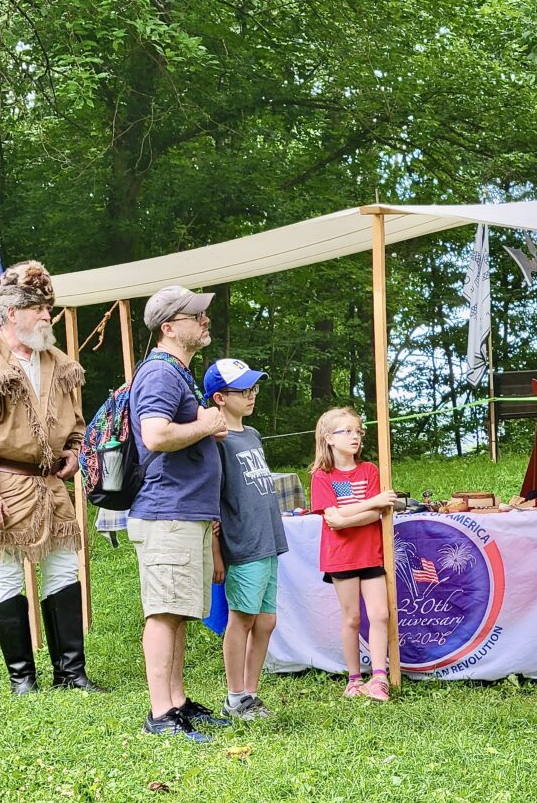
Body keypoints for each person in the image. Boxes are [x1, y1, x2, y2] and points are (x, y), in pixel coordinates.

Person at [0, 259, 105, 694]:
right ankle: (23, 679)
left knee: (62, 570)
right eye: (36, 307)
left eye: (48, 307)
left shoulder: (58, 363)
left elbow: (75, 422)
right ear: (11, 312)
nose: (46, 315)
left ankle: (70, 674)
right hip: (1, 484)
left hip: (50, 486)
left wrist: (73, 451)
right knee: (6, 575)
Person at [129, 285, 229, 742]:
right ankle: (159, 714)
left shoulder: (177, 373)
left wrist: (204, 432)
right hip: (166, 511)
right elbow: (154, 435)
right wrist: (206, 424)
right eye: (196, 315)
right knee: (165, 612)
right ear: (169, 327)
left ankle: (177, 702)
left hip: (183, 511)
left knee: (179, 611)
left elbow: (176, 432)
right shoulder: (160, 373)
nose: (205, 320)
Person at [203, 358, 288, 721]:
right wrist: (217, 554)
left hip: (267, 541)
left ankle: (250, 694)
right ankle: (235, 695)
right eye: (243, 390)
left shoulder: (252, 435)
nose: (252, 395)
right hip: (243, 545)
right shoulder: (216, 442)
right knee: (242, 618)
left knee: (266, 622)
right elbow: (210, 501)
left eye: (254, 388)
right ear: (219, 398)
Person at [308, 407, 397, 701]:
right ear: (328, 438)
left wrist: (346, 518)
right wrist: (371, 503)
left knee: (380, 614)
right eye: (346, 431)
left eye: (358, 431)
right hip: (340, 558)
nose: (355, 436)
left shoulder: (370, 470)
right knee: (352, 618)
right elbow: (333, 517)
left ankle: (379, 677)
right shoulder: (322, 476)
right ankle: (354, 678)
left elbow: (376, 516)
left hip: (371, 554)